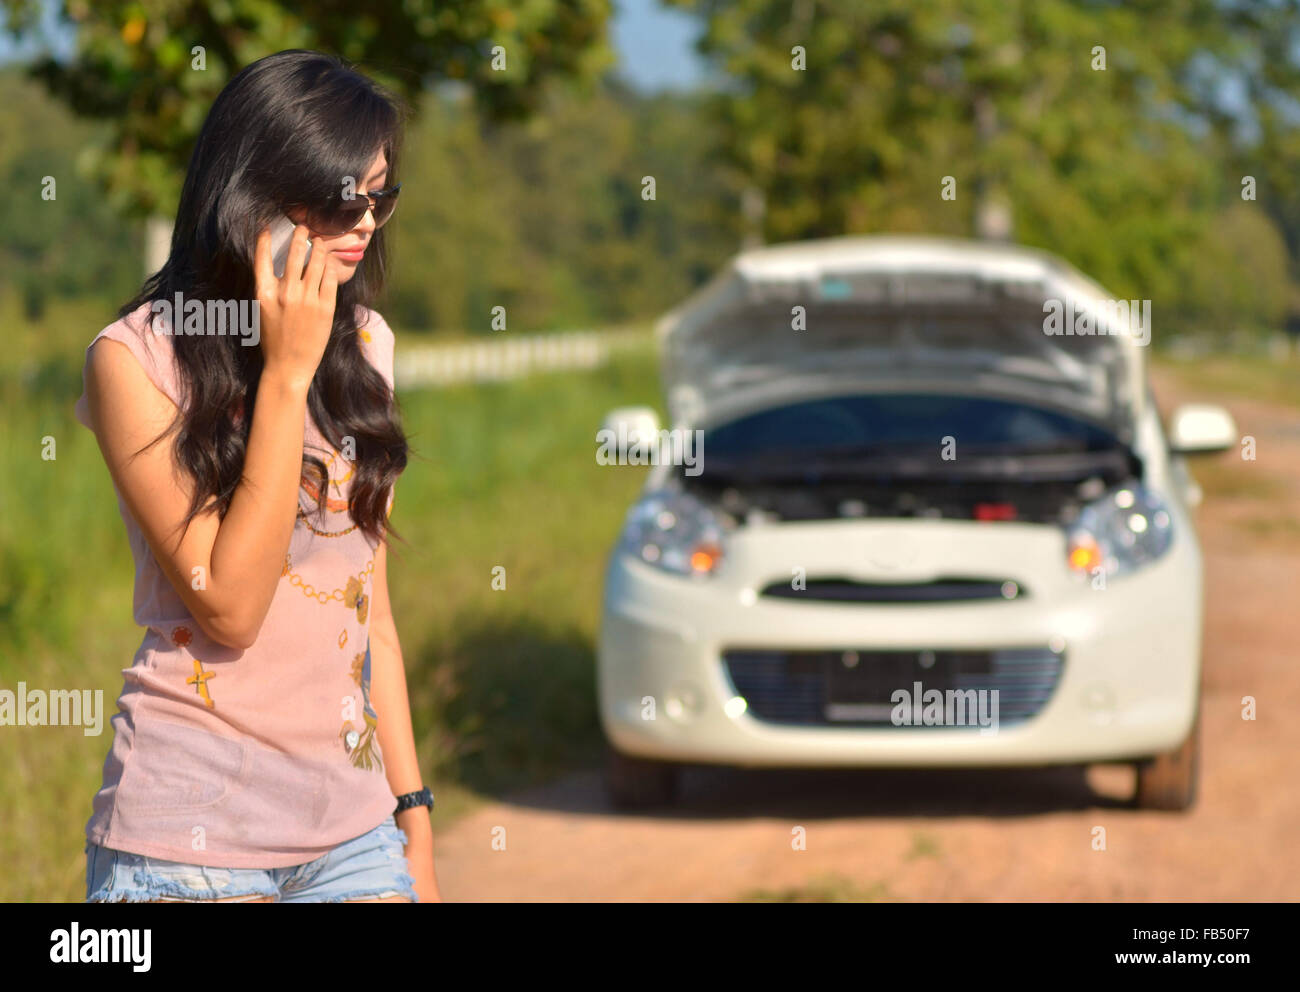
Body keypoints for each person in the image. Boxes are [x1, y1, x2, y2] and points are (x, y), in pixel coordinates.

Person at [74, 49, 438, 902]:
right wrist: (284, 376)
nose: (365, 223)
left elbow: (370, 612)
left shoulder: (367, 348)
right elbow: (229, 606)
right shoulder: (135, 361)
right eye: (341, 197)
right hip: (184, 843)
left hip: (353, 836)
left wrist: (411, 809)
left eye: (380, 195)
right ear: (253, 195)